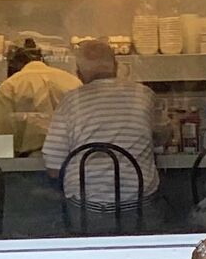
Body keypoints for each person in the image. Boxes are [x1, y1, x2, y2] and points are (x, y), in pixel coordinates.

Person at [43, 39, 162, 207]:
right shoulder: (144, 95)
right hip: (139, 204)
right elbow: (163, 135)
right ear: (116, 66)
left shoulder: (70, 101)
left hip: (85, 208)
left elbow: (53, 168)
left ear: (79, 74)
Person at [0, 40, 81, 156]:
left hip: (28, 159)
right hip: (72, 156)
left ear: (14, 65)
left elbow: (1, 133)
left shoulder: (9, 86)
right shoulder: (71, 81)